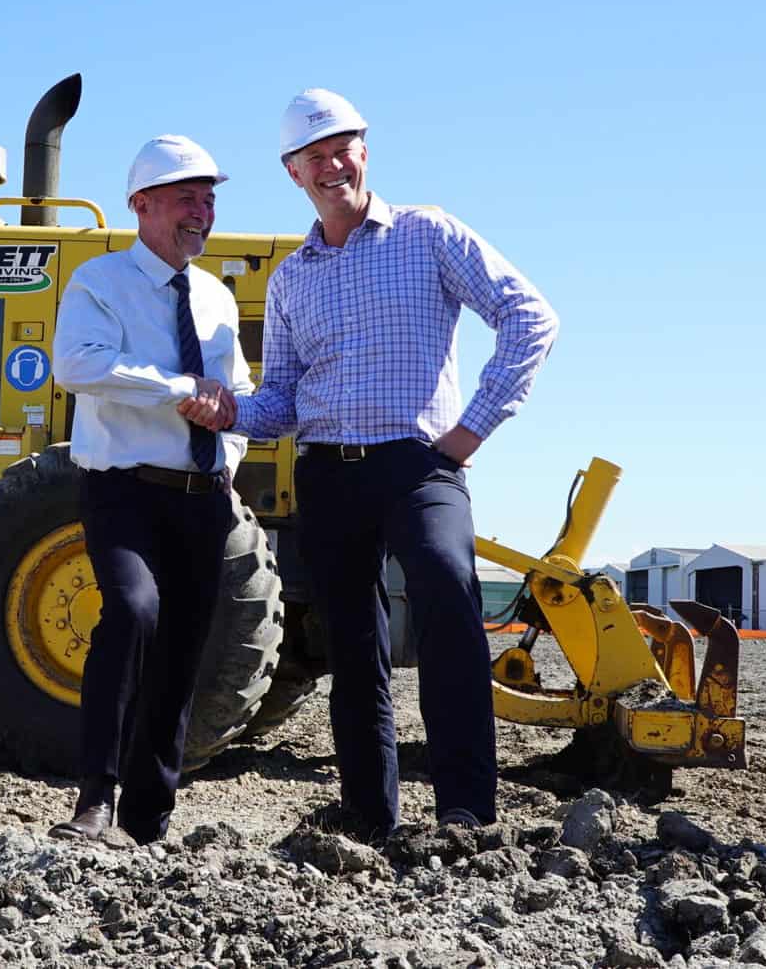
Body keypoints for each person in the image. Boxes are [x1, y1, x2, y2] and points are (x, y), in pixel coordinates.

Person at [203, 89, 558, 836]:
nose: (331, 166)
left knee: (448, 598)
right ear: (293, 172)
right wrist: (227, 410)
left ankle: (465, 813)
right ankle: (369, 816)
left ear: (364, 152)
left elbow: (530, 316)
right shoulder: (291, 278)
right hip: (328, 474)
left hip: (420, 466)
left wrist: (472, 430)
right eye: (314, 157)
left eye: (343, 150)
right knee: (352, 644)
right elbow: (283, 399)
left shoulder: (428, 234)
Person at [49, 134, 252, 844]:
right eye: (186, 198)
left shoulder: (217, 297)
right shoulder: (98, 283)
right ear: (141, 204)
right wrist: (177, 389)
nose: (202, 213)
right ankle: (94, 801)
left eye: (208, 201)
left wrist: (229, 457)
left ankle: (147, 820)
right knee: (132, 613)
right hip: (124, 491)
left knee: (182, 653)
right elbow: (77, 364)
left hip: (203, 497)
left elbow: (234, 394)